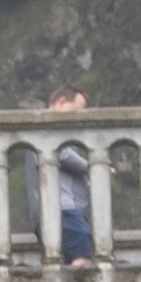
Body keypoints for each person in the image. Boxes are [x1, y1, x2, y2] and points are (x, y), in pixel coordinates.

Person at [40, 88, 98, 265]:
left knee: (71, 259)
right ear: (62, 103)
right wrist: (94, 167)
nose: (80, 117)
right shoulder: (48, 129)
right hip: (67, 208)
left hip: (67, 209)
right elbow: (63, 154)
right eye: (78, 109)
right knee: (82, 259)